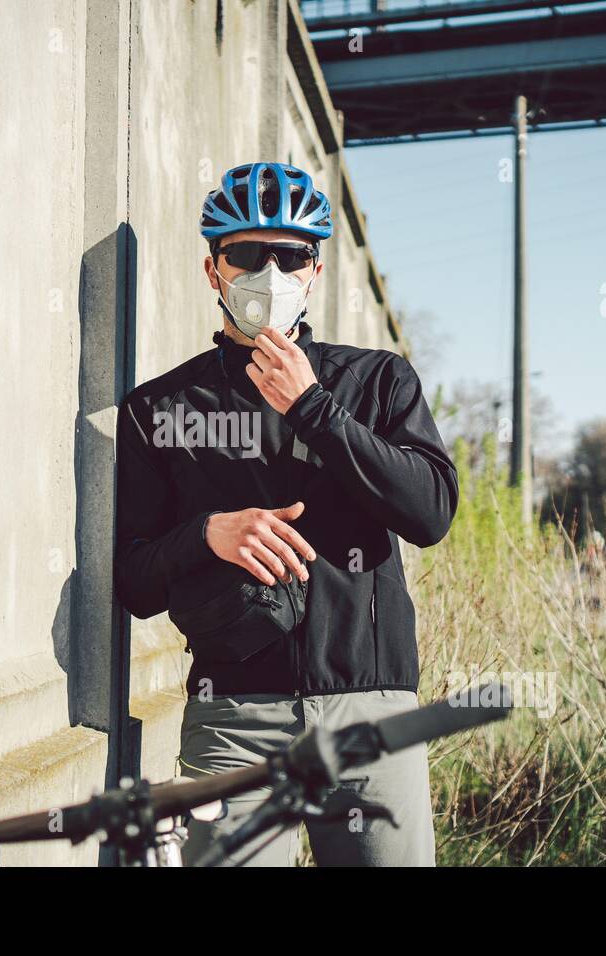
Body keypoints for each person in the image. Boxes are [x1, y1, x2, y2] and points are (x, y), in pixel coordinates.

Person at [113, 162, 458, 866]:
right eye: (247, 253)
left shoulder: (376, 381)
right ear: (214, 270)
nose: (269, 273)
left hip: (370, 714)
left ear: (315, 273)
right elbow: (133, 583)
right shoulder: (159, 410)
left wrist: (315, 411)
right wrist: (204, 536)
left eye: (291, 255)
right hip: (234, 723)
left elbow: (429, 513)